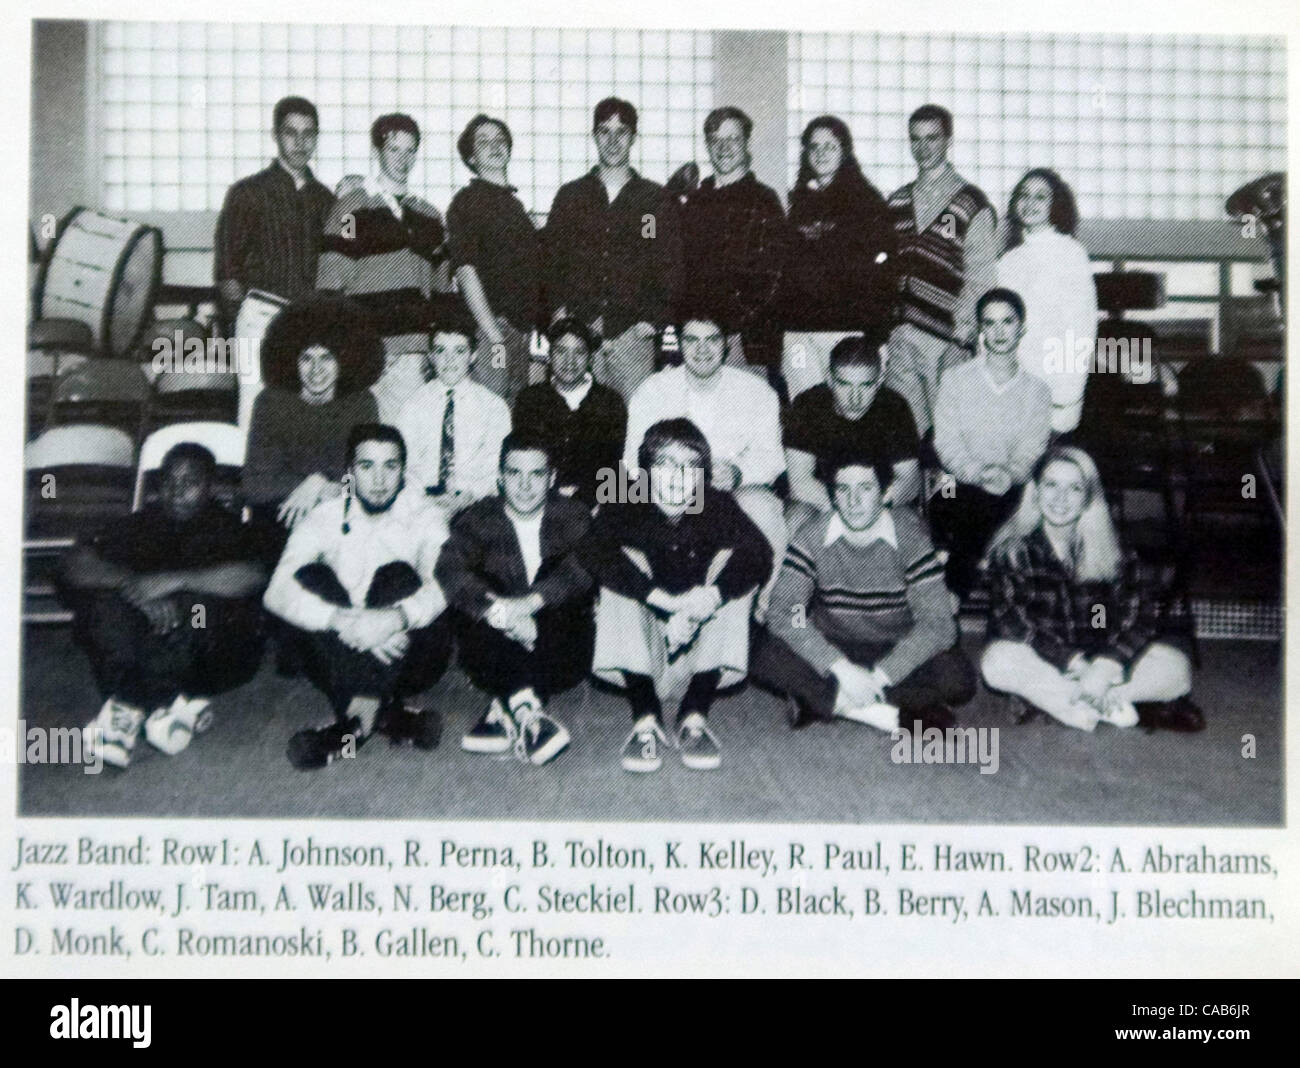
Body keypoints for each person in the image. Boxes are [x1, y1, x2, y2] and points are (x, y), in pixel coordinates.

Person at [580, 419, 772, 773]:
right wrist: (663, 601)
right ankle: (645, 719)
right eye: (665, 464)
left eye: (689, 467)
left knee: (734, 569)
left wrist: (708, 600)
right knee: (620, 568)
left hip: (701, 656)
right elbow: (592, 549)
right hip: (641, 655)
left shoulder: (714, 504)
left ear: (702, 477)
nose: (677, 476)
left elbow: (759, 553)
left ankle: (694, 714)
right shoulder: (625, 499)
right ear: (645, 472)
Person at [263, 424, 454, 769]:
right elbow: (276, 590)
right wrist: (340, 620)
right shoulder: (324, 516)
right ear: (350, 472)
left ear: (403, 471)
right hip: (340, 645)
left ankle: (357, 718)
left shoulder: (426, 515)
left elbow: (442, 584)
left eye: (390, 466)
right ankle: (386, 715)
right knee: (311, 577)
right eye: (367, 467)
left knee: (396, 575)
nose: (379, 480)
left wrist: (393, 619)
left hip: (407, 651)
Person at [66, 444, 267, 769]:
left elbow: (254, 576)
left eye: (190, 482)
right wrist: (133, 587)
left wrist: (177, 581)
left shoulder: (231, 528)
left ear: (211, 487)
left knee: (198, 606)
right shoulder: (140, 523)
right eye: (169, 481)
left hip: (210, 655)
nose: (176, 491)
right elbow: (74, 563)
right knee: (104, 600)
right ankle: (167, 704)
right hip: (144, 642)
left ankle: (129, 705)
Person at [981, 446, 1203, 733]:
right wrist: (1076, 665)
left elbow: (1140, 618)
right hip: (1046, 660)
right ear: (1035, 491)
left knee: (1177, 668)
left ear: (1088, 497)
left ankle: (1069, 705)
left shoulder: (1115, 550)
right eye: (1051, 485)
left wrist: (1107, 664)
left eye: (1074, 488)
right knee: (996, 661)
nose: (1061, 498)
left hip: (1102, 663)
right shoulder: (1011, 551)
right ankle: (1102, 704)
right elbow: (1016, 624)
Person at [753, 452, 975, 732]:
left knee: (958, 678)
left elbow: (937, 622)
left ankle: (823, 701)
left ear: (885, 493)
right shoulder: (812, 536)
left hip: (895, 646)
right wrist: (839, 667)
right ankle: (893, 717)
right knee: (762, 650)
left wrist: (882, 676)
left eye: (865, 489)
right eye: (843, 490)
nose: (853, 501)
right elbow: (790, 611)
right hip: (832, 645)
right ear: (833, 496)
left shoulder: (909, 539)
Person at [435, 432, 594, 766]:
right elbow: (449, 570)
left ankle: (501, 705)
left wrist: (532, 604)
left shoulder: (574, 515)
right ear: (500, 478)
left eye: (536, 475)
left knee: (559, 574)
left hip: (558, 648)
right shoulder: (476, 519)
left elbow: (588, 565)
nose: (524, 485)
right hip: (493, 642)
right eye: (514, 474)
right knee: (479, 588)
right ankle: (527, 712)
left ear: (551, 479)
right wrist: (501, 614)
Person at [622, 312, 786, 611]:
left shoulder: (757, 392)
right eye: (692, 340)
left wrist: (738, 472)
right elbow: (633, 460)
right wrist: (670, 483)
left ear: (726, 345)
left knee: (764, 507)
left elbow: (773, 457)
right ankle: (651, 603)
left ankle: (764, 604)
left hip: (732, 490)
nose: (702, 350)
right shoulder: (652, 390)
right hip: (667, 490)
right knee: (622, 507)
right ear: (679, 344)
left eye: (712, 340)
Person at [543, 97, 683, 400]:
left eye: (621, 132)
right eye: (605, 131)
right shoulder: (571, 197)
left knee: (635, 420)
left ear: (633, 137)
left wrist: (652, 320)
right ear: (594, 136)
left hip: (633, 333)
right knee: (581, 417)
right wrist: (557, 312)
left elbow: (667, 262)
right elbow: (550, 262)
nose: (613, 140)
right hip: (580, 333)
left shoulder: (652, 201)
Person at [929, 288, 1053, 598]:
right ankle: (990, 595)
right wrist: (976, 473)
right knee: (966, 504)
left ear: (1022, 327)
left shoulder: (1037, 391)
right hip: (954, 484)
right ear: (981, 329)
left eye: (1007, 322)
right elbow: (946, 442)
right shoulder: (955, 380)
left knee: (990, 512)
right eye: (990, 323)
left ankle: (954, 596)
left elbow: (1032, 448)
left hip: (1011, 487)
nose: (998, 332)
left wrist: (1009, 474)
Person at [886, 105, 997, 437]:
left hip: (946, 337)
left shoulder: (969, 202)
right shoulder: (897, 202)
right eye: (915, 139)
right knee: (905, 437)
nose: (923, 148)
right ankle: (915, 493)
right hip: (901, 338)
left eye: (932, 138)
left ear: (948, 140)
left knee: (947, 440)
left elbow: (980, 275)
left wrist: (962, 333)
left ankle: (945, 493)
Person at [243, 297, 383, 561]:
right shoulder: (270, 403)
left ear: (344, 360)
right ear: (291, 361)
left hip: (341, 524)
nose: (316, 370)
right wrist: (311, 484)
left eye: (327, 358)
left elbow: (368, 479)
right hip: (280, 523)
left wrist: (318, 484)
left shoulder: (362, 403)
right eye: (307, 358)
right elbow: (255, 486)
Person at [779, 116, 898, 400]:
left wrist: (876, 335)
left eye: (829, 146)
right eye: (813, 147)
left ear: (844, 151)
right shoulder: (797, 204)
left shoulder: (867, 202)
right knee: (804, 405)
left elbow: (884, 271)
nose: (820, 153)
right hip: (799, 338)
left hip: (849, 333)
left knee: (847, 412)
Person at [317, 113, 452, 356]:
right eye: (394, 150)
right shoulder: (351, 209)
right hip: (367, 350)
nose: (403, 159)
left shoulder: (431, 217)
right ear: (377, 151)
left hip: (416, 352)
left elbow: (440, 290)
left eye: (410, 151)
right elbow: (331, 281)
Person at [680, 106, 787, 376]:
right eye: (716, 140)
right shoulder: (693, 202)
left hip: (744, 341)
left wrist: (726, 326)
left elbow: (772, 278)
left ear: (746, 143)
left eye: (733, 139)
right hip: (695, 340)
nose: (724, 147)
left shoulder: (764, 200)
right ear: (707, 145)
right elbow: (669, 257)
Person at [214, 96, 333, 333]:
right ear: (276, 135)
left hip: (310, 320)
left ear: (317, 138)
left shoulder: (326, 199)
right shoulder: (247, 193)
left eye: (308, 134)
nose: (300, 142)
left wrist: (352, 203)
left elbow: (348, 243)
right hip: (257, 319)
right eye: (291, 133)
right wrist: (238, 321)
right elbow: (228, 269)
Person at [447, 114, 544, 402]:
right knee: (491, 411)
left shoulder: (513, 205)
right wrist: (494, 335)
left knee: (511, 411)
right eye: (484, 141)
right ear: (471, 157)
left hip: (519, 333)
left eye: (501, 140)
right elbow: (465, 271)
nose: (495, 146)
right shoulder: (468, 201)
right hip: (496, 333)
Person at [782, 328, 922, 525]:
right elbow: (800, 481)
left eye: (865, 386)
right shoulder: (807, 404)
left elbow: (909, 480)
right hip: (822, 502)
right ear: (829, 380)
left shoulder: (894, 406)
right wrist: (845, 510)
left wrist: (875, 508)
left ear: (879, 381)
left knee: (915, 527)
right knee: (795, 519)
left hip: (880, 504)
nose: (855, 399)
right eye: (844, 385)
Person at [997, 168, 1099, 433]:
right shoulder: (1009, 260)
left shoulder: (1070, 254)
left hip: (1053, 389)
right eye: (1024, 195)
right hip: (1010, 385)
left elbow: (1079, 329)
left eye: (1040, 197)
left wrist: (1065, 395)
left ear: (1056, 205)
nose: (1030, 203)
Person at [396, 312, 513, 516]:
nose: (449, 360)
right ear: (431, 356)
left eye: (459, 351)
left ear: (473, 355)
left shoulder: (494, 407)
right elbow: (403, 464)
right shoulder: (412, 405)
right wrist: (423, 501)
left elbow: (497, 468)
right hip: (422, 504)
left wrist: (468, 497)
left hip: (476, 504)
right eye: (441, 351)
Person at [511, 317, 627, 505]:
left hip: (595, 504)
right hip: (538, 501)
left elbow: (613, 465)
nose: (569, 360)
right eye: (561, 351)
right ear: (549, 355)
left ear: (590, 358)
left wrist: (583, 497)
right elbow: (524, 458)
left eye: (579, 352)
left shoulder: (609, 402)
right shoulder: (530, 400)